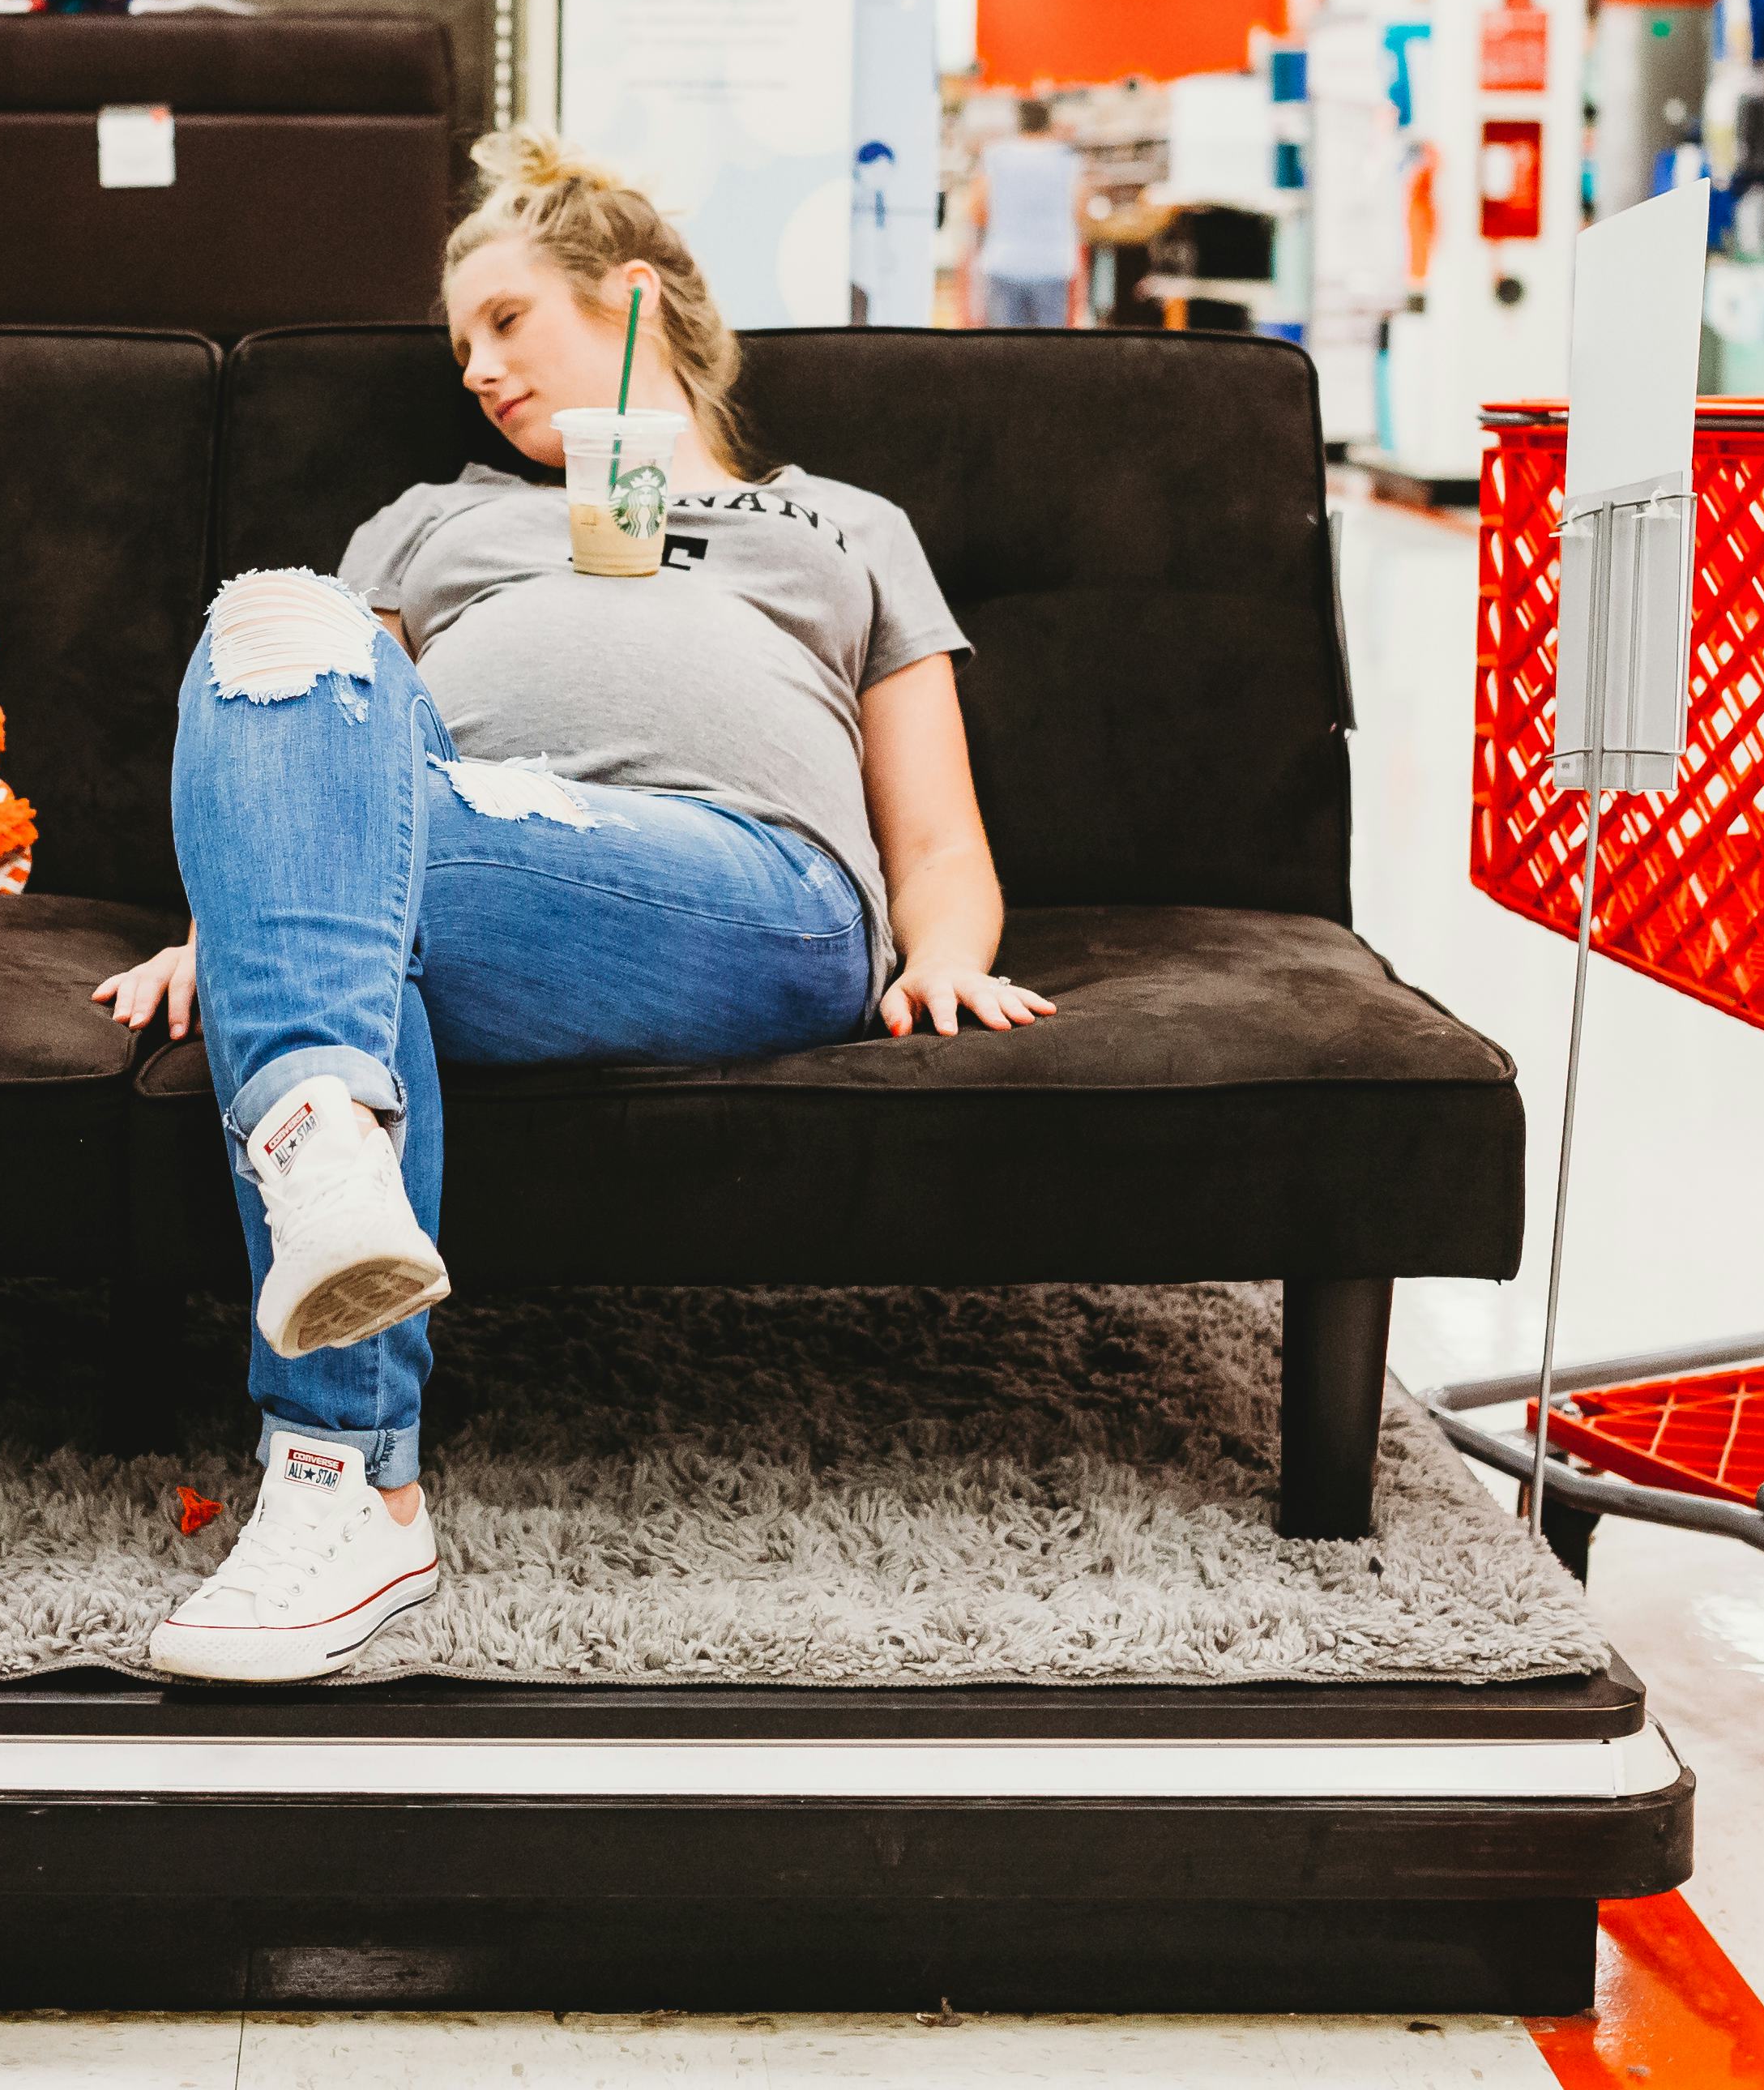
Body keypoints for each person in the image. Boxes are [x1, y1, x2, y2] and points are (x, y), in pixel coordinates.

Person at [93, 131, 1055, 1684]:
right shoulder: (428, 517)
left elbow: (934, 831)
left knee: (336, 901)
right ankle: (345, 1451)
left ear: (627, 298)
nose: (476, 368)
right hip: (450, 865)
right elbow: (320, 744)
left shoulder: (842, 524)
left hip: (747, 888)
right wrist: (242, 918)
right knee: (273, 618)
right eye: (459, 343)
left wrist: (945, 963)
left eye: (506, 321)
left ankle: (342, 1441)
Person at [967, 99, 1087, 330]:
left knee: (1006, 352)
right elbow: (1079, 210)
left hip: (1005, 262)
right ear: (1049, 122)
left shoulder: (997, 156)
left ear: (1018, 122)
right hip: (1053, 265)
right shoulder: (1066, 159)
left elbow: (977, 209)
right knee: (1049, 352)